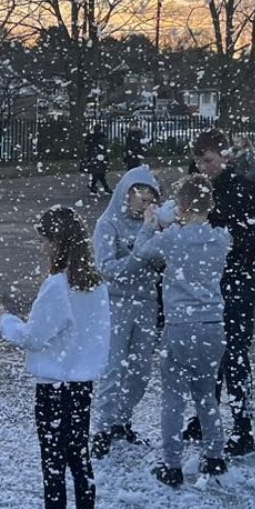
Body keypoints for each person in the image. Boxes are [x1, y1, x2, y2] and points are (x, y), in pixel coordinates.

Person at [0, 206, 111, 509]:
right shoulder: (95, 284)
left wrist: (7, 321)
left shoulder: (57, 286)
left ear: (56, 242)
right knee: (80, 458)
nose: (41, 247)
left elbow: (34, 336)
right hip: (82, 386)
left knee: (53, 465)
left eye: (44, 240)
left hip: (54, 387)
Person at [132, 175, 232, 487]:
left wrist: (150, 223)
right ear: (211, 203)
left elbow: (141, 254)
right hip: (213, 324)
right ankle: (215, 456)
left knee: (173, 397)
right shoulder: (221, 238)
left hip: (179, 324)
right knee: (206, 395)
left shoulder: (172, 238)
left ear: (183, 207)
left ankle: (172, 463)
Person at [191, 128, 255, 456]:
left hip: (236, 279)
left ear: (225, 157)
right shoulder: (199, 186)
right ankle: (204, 418)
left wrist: (223, 237)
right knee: (206, 354)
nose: (203, 167)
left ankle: (243, 427)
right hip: (206, 281)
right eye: (199, 161)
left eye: (208, 161)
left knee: (235, 355)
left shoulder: (247, 190)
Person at [90, 165, 163, 457]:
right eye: (142, 199)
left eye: (151, 200)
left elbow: (158, 261)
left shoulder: (151, 224)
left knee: (140, 370)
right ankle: (103, 427)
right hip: (117, 303)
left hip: (146, 302)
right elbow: (108, 269)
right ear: (127, 195)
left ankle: (122, 420)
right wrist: (140, 254)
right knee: (114, 368)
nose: (146, 206)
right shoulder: (108, 224)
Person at [83, 128, 111, 196]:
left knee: (97, 174)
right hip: (99, 159)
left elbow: (89, 149)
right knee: (100, 175)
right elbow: (103, 149)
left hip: (94, 159)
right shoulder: (101, 139)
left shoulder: (91, 139)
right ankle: (104, 188)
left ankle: (94, 187)